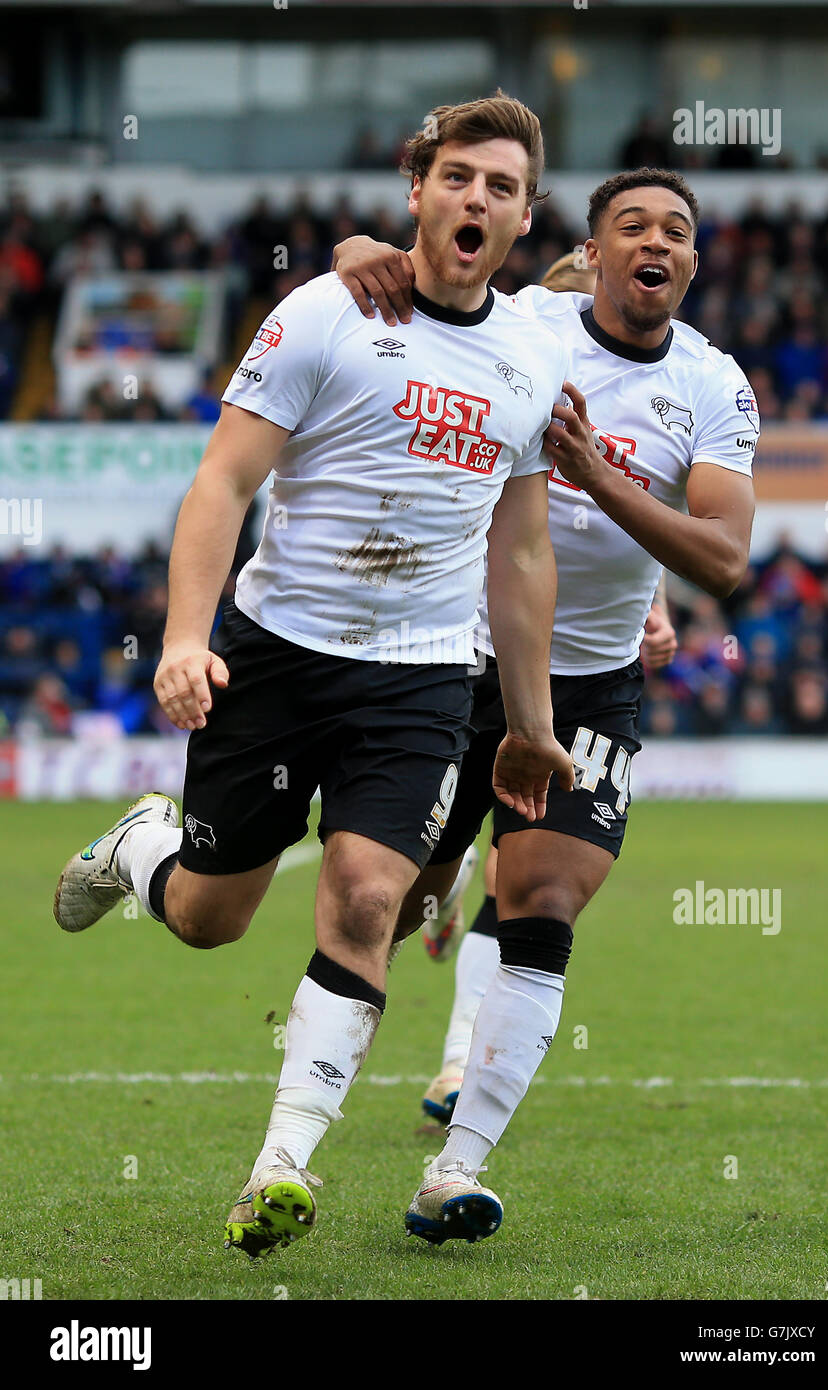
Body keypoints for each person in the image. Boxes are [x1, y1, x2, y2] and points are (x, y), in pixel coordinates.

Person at [53, 93, 577, 1257]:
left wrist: (530, 724)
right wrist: (186, 638)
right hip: (278, 653)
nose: (476, 201)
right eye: (457, 179)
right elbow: (220, 484)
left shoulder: (532, 354)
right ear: (417, 191)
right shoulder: (323, 313)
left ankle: (281, 1159)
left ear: (525, 214)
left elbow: (525, 547)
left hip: (423, 675)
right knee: (209, 917)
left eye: (501, 187)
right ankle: (142, 843)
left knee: (368, 900)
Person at [331, 166, 756, 1245]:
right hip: (456, 654)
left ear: (691, 264)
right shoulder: (524, 326)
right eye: (632, 225)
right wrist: (349, 256)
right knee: (394, 903)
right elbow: (396, 285)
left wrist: (602, 479)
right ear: (594, 253)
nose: (655, 241)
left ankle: (453, 1169)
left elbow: (726, 556)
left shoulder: (714, 385)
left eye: (677, 230)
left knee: (545, 900)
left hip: (594, 682)